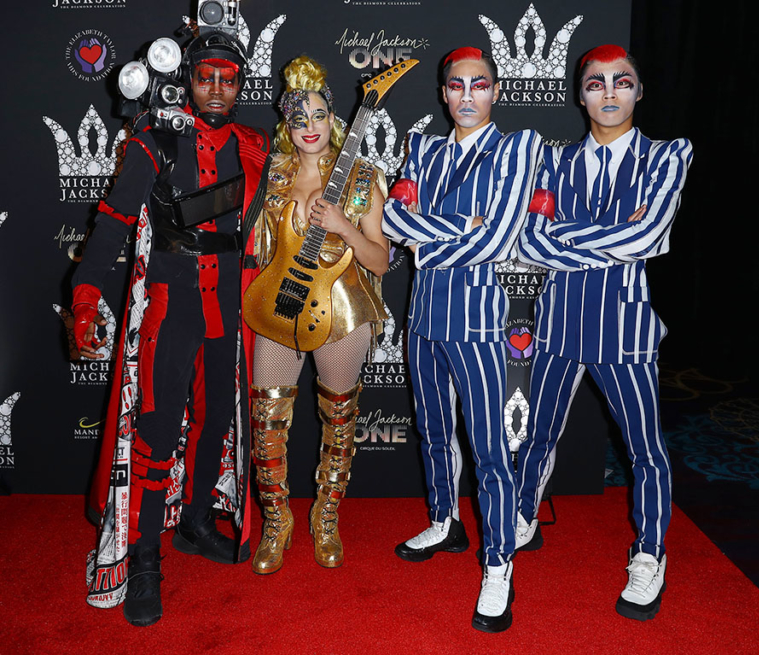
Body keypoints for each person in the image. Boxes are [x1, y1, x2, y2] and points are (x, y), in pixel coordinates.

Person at [72, 29, 269, 627]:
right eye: (205, 76)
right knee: (155, 432)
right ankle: (144, 560)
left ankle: (195, 524)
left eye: (227, 79)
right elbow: (110, 224)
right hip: (169, 304)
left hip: (229, 308)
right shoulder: (153, 141)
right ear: (188, 78)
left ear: (240, 85)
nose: (215, 87)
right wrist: (84, 299)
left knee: (214, 426)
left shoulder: (253, 145)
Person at [514, 44, 693, 621]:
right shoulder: (551, 161)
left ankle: (650, 552)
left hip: (626, 330)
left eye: (622, 82)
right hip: (559, 324)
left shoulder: (668, 156)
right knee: (537, 436)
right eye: (596, 83)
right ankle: (522, 516)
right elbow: (528, 244)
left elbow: (645, 242)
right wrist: (612, 233)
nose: (609, 93)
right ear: (580, 92)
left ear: (639, 91)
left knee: (645, 450)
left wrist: (567, 239)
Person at [382, 47, 541, 633]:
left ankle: (498, 562)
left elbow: (498, 239)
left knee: (490, 451)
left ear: (494, 91)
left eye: (479, 84)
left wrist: (432, 237)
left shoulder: (518, 147)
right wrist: (459, 228)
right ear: (444, 93)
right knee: (431, 431)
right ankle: (445, 520)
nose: (467, 95)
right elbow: (393, 225)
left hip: (480, 326)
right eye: (456, 85)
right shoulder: (421, 148)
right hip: (423, 318)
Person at [247, 56, 389, 574]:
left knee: (339, 418)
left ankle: (325, 518)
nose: (309, 127)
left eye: (319, 115)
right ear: (287, 125)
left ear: (335, 118)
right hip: (281, 304)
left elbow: (382, 260)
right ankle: (276, 520)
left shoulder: (360, 177)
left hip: (344, 309)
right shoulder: (271, 175)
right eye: (298, 118)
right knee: (266, 419)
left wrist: (345, 228)